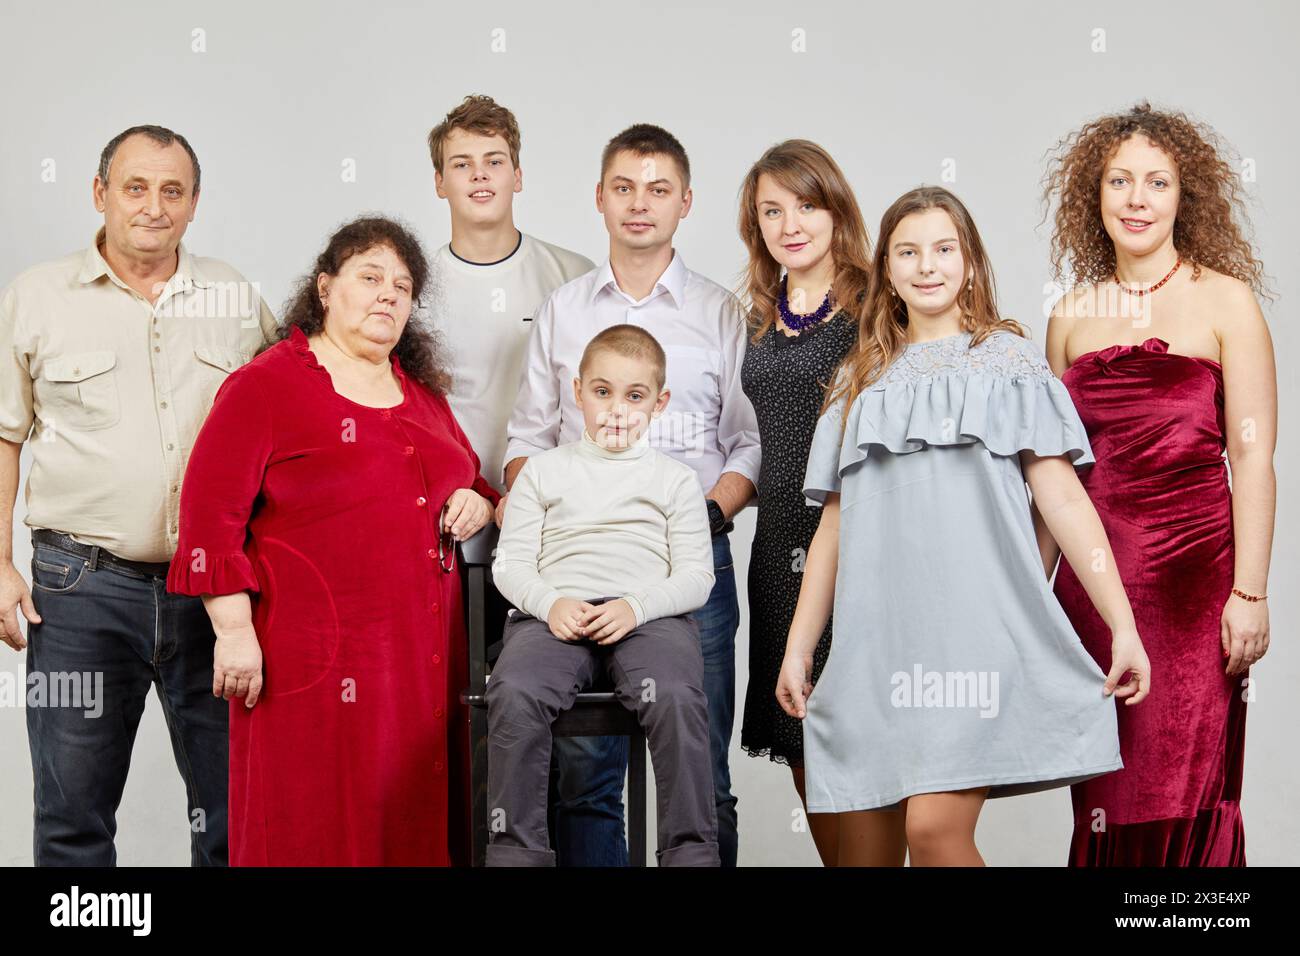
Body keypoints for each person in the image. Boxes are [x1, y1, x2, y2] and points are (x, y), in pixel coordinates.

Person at [778, 186, 1151, 866]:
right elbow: (835, 523)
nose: (928, 266)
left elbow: (1064, 501)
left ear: (970, 261)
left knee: (933, 832)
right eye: (909, 252)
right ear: (885, 269)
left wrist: (1121, 624)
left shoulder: (1008, 363)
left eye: (944, 249)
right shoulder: (858, 381)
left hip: (975, 638)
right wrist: (801, 647)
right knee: (864, 853)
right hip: (877, 645)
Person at [166, 216, 498, 865]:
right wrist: (233, 631)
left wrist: (477, 503)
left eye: (402, 287)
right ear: (325, 287)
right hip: (309, 666)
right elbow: (208, 517)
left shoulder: (423, 396)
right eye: (370, 278)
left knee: (407, 818)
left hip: (420, 663)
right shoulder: (266, 385)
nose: (388, 296)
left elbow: (474, 480)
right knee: (312, 821)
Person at [0, 124, 277, 866]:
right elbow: (3, 435)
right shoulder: (34, 298)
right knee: (72, 819)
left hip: (213, 596)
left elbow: (288, 434)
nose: (153, 207)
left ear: (194, 205)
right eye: (135, 187)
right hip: (80, 590)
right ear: (99, 195)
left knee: (235, 817)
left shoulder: (236, 299)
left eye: (173, 191)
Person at [503, 123, 760, 866]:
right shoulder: (564, 309)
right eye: (624, 188)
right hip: (571, 567)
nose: (638, 205)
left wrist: (703, 516)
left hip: (687, 564)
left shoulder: (719, 314)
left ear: (685, 202)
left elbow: (747, 443)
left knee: (701, 766)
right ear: (600, 198)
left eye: (657, 190)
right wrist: (560, 508)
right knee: (585, 776)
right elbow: (527, 438)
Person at [1041, 101, 1276, 866]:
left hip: (1195, 589)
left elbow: (1253, 460)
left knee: (1187, 788)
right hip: (1096, 591)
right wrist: (1021, 598)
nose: (1137, 199)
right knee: (1108, 798)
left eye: (1157, 182)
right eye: (1119, 181)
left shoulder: (1227, 302)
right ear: (1095, 196)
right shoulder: (1069, 315)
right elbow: (1054, 477)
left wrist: (1250, 592)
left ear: (1185, 196)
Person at [487, 324, 718, 866]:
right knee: (515, 691)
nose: (616, 409)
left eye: (635, 396)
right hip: (551, 616)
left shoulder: (677, 481)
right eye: (602, 391)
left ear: (659, 403)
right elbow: (511, 565)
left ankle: (690, 854)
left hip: (648, 619)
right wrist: (551, 603)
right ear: (578, 390)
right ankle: (516, 854)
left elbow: (695, 577)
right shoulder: (543, 473)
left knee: (677, 697)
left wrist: (635, 607)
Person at [736, 139, 865, 865]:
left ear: (835, 208)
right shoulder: (754, 315)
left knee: (860, 735)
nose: (791, 223)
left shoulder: (882, 305)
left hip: (855, 544)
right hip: (776, 551)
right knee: (802, 736)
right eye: (772, 210)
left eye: (806, 205)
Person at [426, 94, 594, 498]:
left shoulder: (575, 276)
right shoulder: (412, 288)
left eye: (494, 162)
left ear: (517, 177)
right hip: (446, 506)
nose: (479, 175)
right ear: (440, 183)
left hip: (553, 506)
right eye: (462, 164)